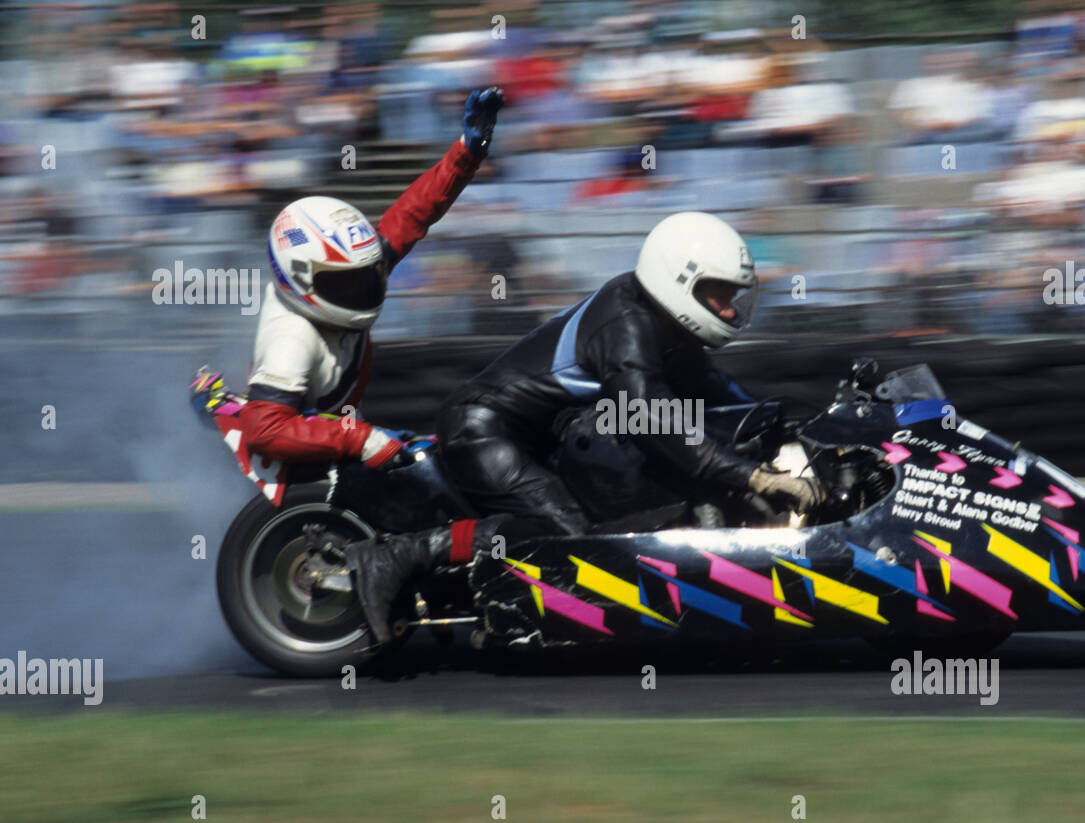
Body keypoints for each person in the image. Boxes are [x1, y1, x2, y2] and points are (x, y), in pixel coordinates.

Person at [345, 211, 826, 638]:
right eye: (718, 295)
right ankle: (404, 553)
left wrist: (790, 435)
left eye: (731, 297)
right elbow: (651, 417)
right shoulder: (626, 321)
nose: (727, 310)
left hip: (541, 438)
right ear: (680, 282)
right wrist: (752, 476)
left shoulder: (666, 325)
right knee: (569, 544)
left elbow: (720, 391)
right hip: (487, 430)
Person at [239, 88, 504, 471]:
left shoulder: (354, 266)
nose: (362, 289)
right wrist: (361, 439)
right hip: (305, 459)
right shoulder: (291, 335)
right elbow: (264, 431)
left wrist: (468, 152)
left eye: (366, 275)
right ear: (299, 279)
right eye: (345, 283)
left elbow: (415, 212)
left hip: (338, 427)